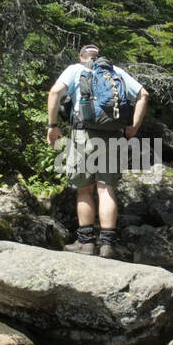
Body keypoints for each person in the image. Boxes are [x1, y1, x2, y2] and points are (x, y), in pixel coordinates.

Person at [47, 44, 149, 258]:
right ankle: (107, 245)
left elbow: (55, 91)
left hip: (84, 136)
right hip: (113, 135)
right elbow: (143, 94)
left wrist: (52, 126)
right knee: (106, 188)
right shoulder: (115, 72)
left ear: (81, 56)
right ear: (98, 56)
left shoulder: (76, 69)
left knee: (84, 189)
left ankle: (86, 244)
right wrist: (134, 127)